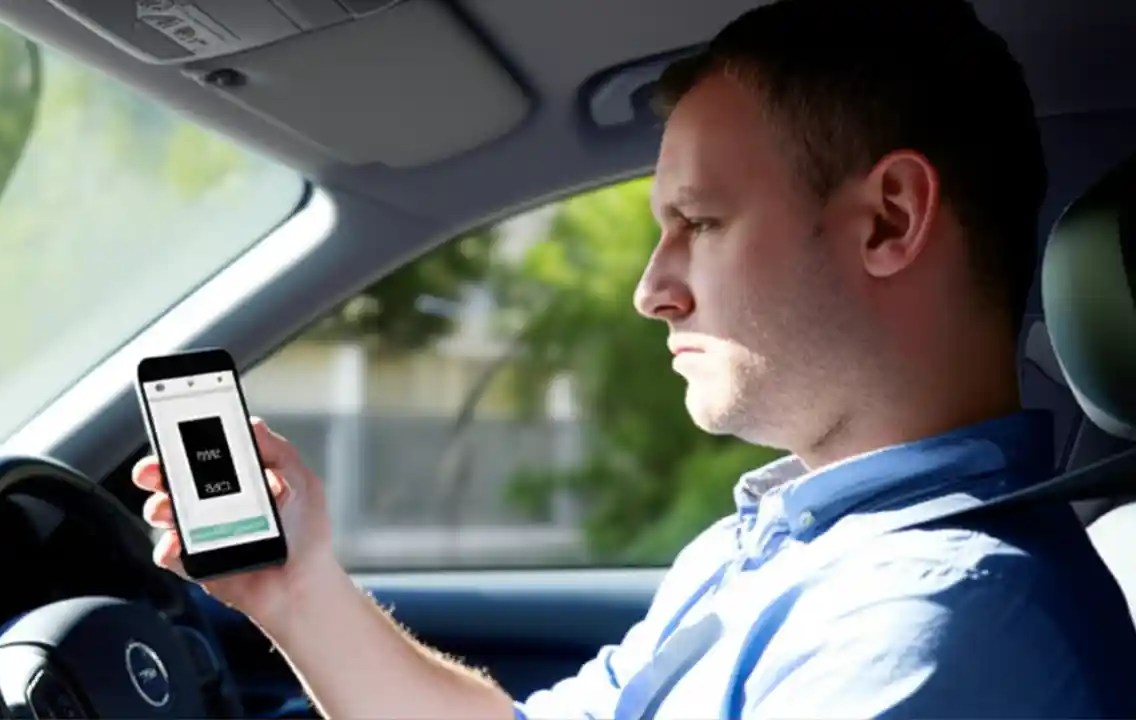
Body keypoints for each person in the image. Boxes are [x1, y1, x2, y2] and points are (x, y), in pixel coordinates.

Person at [133, 0, 1136, 717]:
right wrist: (295, 590)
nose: (649, 289)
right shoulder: (778, 546)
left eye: (697, 221)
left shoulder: (931, 626)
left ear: (887, 219)